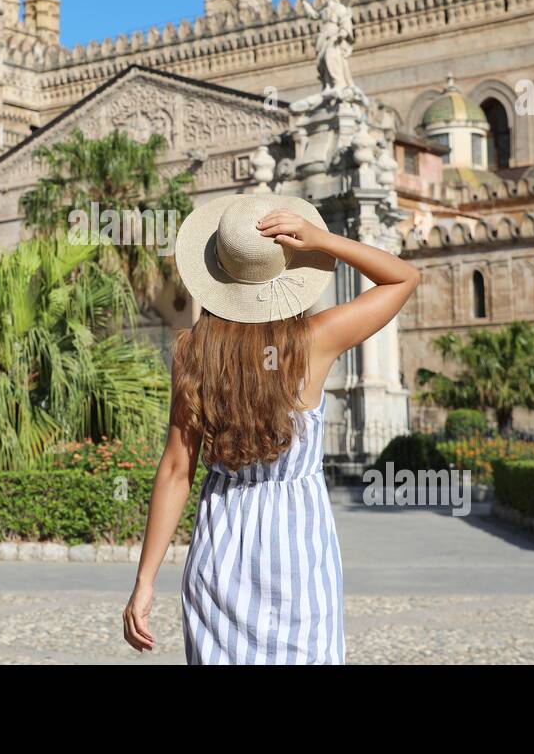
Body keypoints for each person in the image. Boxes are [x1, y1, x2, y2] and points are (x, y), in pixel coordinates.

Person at [121, 193, 419, 664]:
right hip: (298, 555)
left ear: (217, 277)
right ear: (285, 272)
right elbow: (403, 276)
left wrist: (144, 583)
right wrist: (321, 241)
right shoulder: (315, 341)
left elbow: (177, 471)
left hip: (219, 550)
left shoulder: (192, 355)